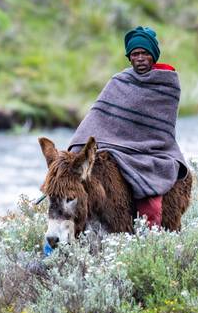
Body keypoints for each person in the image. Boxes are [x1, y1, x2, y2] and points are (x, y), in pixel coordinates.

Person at [67, 25, 187, 227]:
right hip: (115, 149)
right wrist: (77, 152)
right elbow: (97, 118)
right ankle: (52, 248)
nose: (140, 58)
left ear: (153, 56)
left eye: (144, 53)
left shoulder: (167, 84)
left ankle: (150, 241)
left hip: (152, 151)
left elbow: (161, 130)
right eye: (135, 54)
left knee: (151, 207)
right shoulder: (119, 82)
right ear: (129, 58)